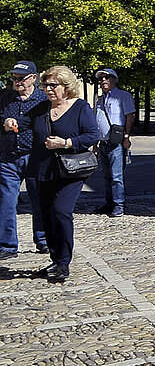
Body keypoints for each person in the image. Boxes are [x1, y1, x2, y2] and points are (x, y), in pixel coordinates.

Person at [30, 66, 100, 283]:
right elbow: (23, 123)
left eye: (53, 85)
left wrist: (67, 143)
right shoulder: (41, 108)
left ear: (66, 86)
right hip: (43, 170)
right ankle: (55, 258)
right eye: (45, 85)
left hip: (70, 172)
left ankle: (63, 262)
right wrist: (8, 122)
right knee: (47, 216)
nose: (48, 89)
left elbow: (92, 135)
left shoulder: (80, 108)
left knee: (61, 212)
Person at [0, 60, 48, 258]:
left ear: (33, 78)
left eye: (21, 78)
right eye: (14, 78)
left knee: (39, 200)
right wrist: (3, 123)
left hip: (34, 157)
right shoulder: (4, 99)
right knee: (6, 201)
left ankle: (43, 239)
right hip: (8, 158)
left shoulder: (43, 100)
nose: (17, 81)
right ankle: (7, 245)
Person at [93, 68, 135, 217]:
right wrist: (95, 144)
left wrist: (127, 136)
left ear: (114, 80)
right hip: (103, 143)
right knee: (106, 177)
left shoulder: (123, 96)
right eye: (101, 78)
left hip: (116, 142)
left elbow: (129, 116)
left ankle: (119, 205)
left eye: (107, 77)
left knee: (117, 176)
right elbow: (97, 122)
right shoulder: (100, 99)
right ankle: (109, 203)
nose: (103, 80)